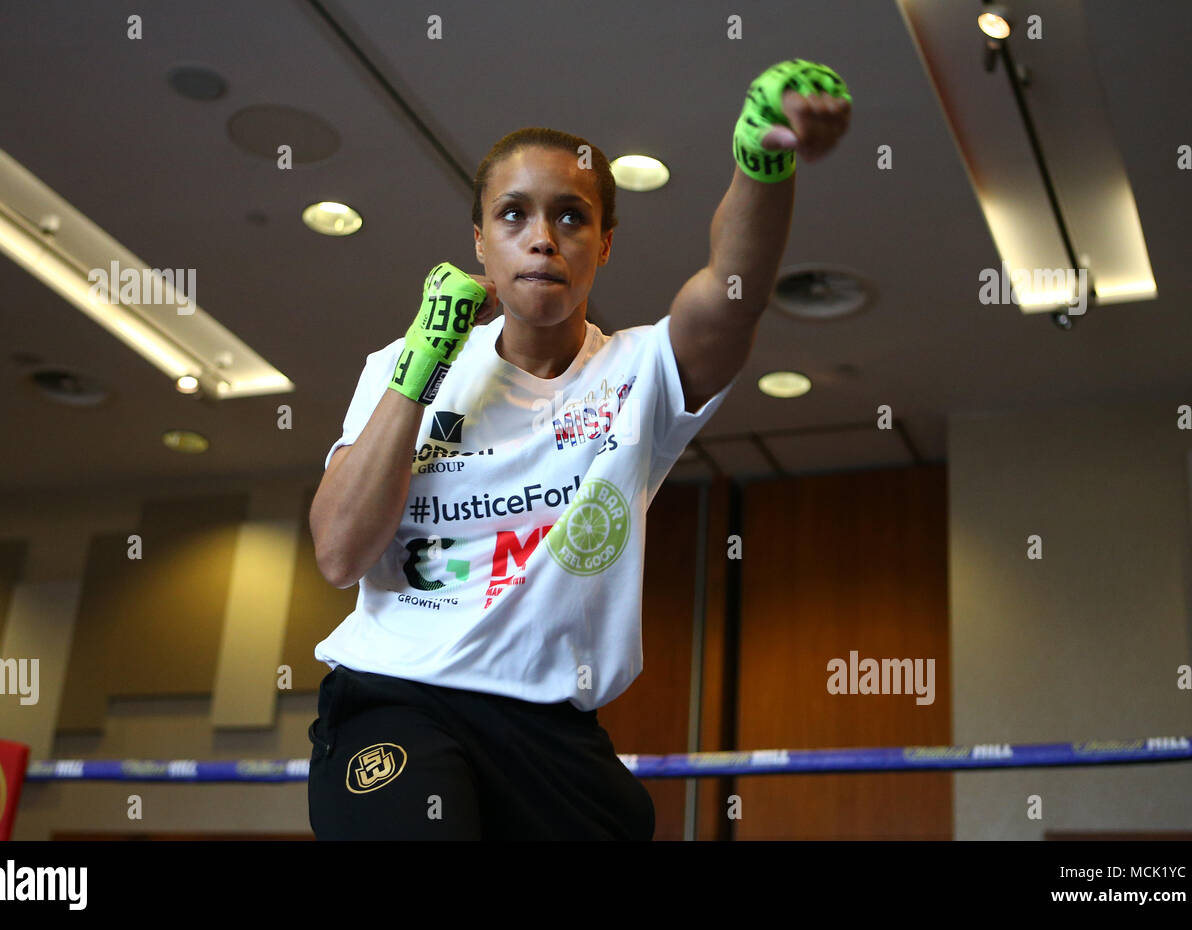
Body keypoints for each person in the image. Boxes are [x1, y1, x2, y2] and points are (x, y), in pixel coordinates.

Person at [306, 59, 852, 840]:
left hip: (552, 733)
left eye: (570, 217)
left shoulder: (639, 375)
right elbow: (337, 554)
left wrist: (763, 156)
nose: (542, 239)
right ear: (480, 241)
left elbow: (734, 294)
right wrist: (422, 364)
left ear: (605, 244)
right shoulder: (400, 367)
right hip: (399, 700)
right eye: (514, 216)